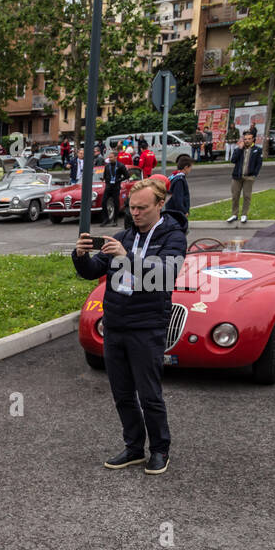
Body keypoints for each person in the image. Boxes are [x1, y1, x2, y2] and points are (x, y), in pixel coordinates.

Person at [72, 179, 185, 475]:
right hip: (116, 324)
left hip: (147, 325)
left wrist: (127, 257)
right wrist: (80, 256)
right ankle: (134, 447)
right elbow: (93, 270)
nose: (135, 213)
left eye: (142, 208)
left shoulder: (173, 236)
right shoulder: (124, 235)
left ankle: (160, 449)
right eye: (132, 207)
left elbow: (165, 274)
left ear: (160, 205)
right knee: (122, 393)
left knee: (149, 394)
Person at [228, 129, 262, 224]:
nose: (247, 140)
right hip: (237, 177)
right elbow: (233, 160)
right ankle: (234, 214)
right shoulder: (238, 149)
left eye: (249, 139)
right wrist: (239, 149)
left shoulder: (257, 150)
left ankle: (244, 214)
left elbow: (259, 164)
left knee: (247, 196)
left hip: (249, 177)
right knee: (235, 196)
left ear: (253, 139)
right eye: (245, 139)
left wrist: (254, 174)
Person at [165, 156, 192, 227]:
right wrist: (184, 211)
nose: (190, 170)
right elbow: (178, 198)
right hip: (176, 213)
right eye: (190, 168)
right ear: (186, 167)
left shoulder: (173, 176)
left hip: (171, 211)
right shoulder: (179, 180)